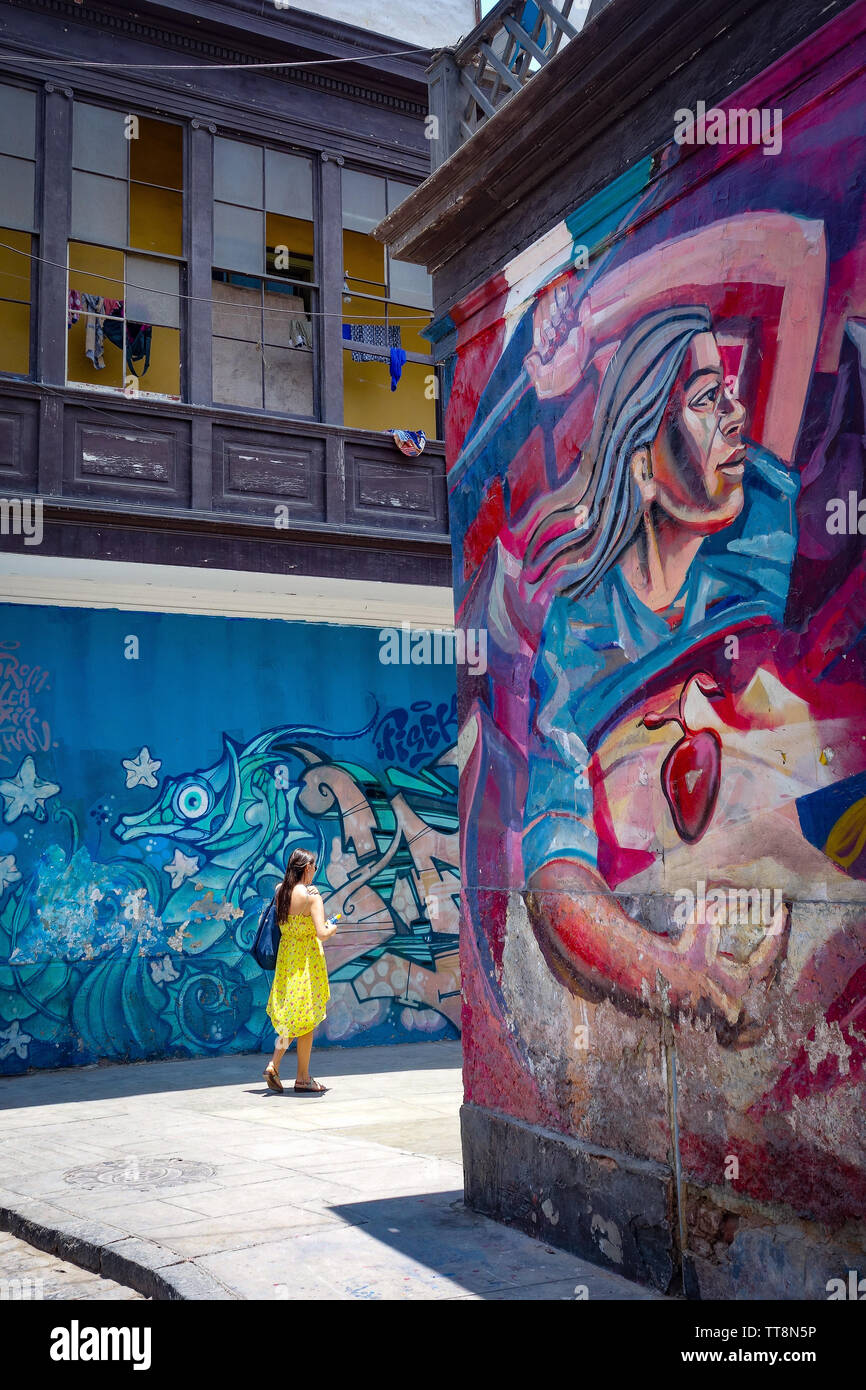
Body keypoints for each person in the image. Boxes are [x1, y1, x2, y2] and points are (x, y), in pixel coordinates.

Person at [521, 306, 802, 1042]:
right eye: (709, 399)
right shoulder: (579, 636)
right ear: (644, 467)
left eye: (730, 392)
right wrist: (685, 978)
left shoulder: (775, 545)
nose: (737, 415)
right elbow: (556, 871)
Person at [262, 847, 338, 1094]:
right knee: (305, 1019)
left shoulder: (279, 891)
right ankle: (294, 1073)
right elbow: (322, 933)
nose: (315, 871)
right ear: (307, 868)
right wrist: (332, 926)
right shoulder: (312, 897)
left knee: (294, 1019)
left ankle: (290, 1071)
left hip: (287, 960)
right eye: (314, 867)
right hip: (306, 963)